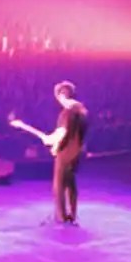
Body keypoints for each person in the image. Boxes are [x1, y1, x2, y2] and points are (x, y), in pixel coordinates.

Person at [48, 81, 88, 225]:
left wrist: (54, 144)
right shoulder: (81, 112)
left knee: (59, 185)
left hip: (64, 152)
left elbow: (62, 132)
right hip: (76, 152)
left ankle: (61, 216)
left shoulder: (66, 113)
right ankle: (72, 214)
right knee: (71, 183)